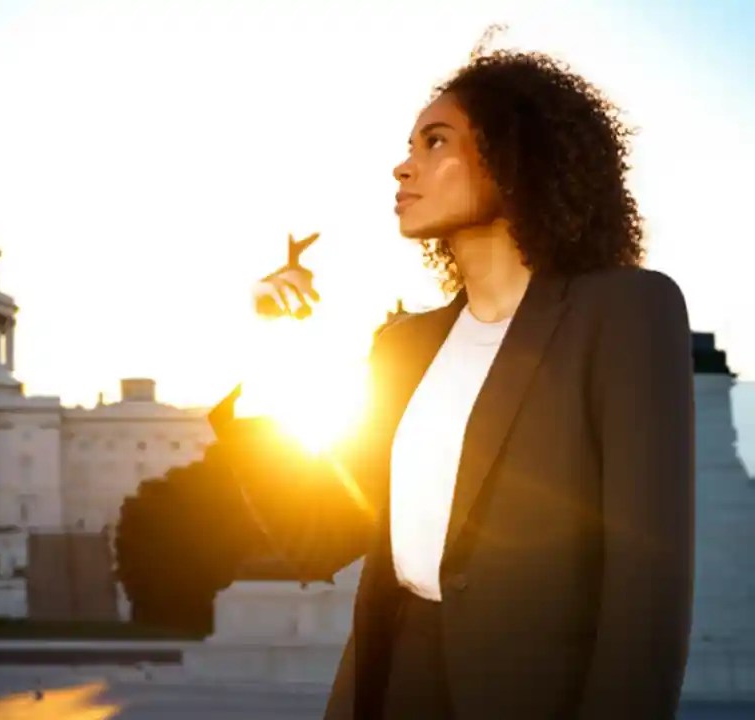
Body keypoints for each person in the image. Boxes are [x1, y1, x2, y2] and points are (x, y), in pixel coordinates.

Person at [210, 46, 694, 719]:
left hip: (534, 695)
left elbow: (646, 591)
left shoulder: (627, 312)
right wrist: (269, 349)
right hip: (391, 684)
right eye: (408, 145)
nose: (403, 165)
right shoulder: (404, 346)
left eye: (436, 141)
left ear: (517, 157)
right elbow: (314, 537)